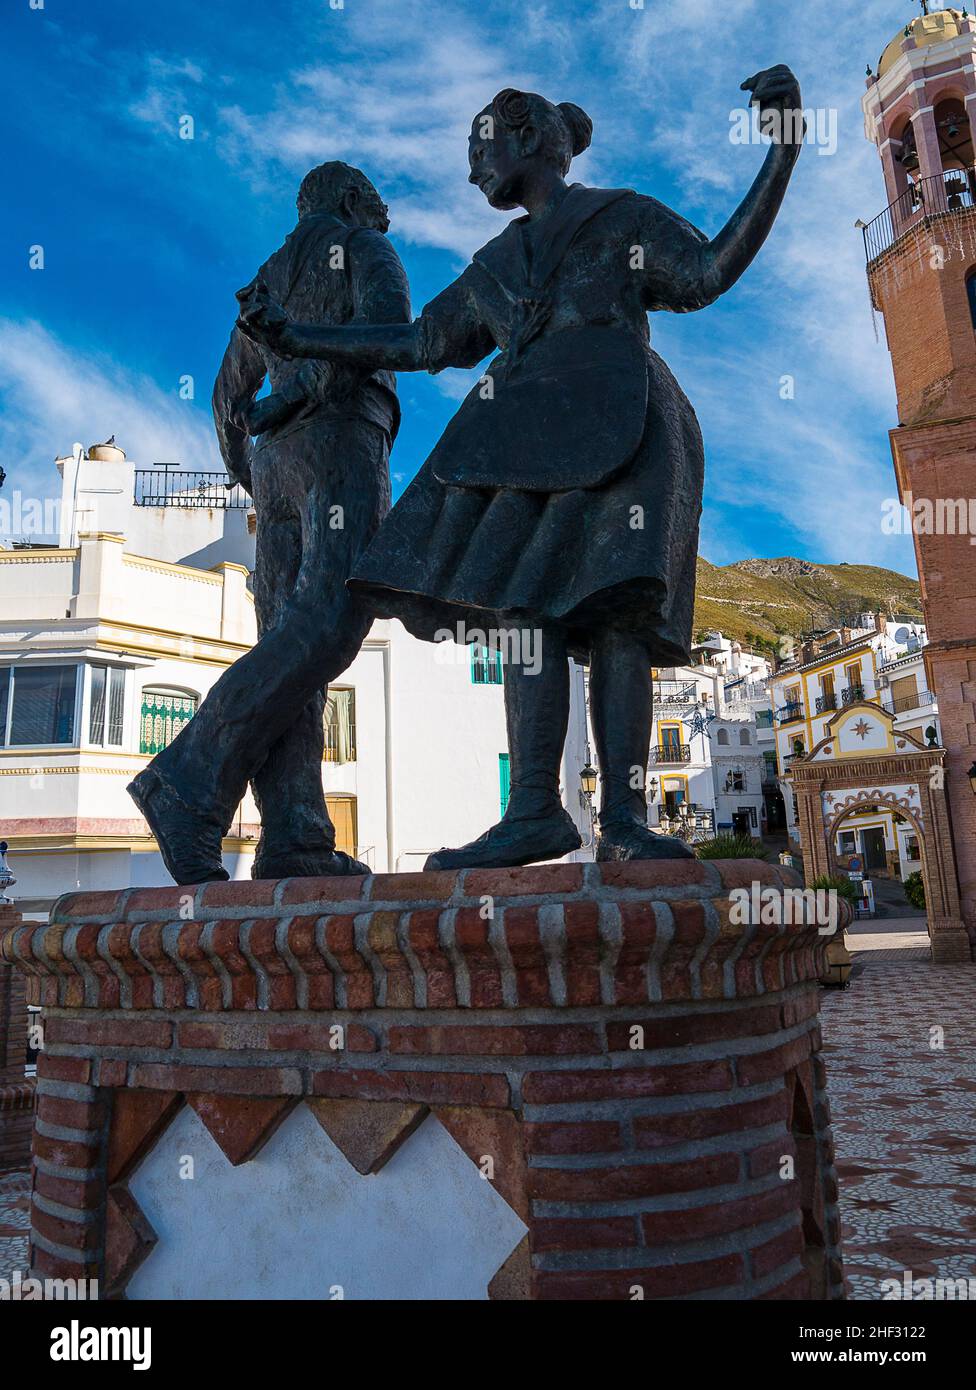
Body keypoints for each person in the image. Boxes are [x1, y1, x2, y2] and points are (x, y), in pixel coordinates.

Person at [237, 71, 802, 870]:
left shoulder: (622, 218)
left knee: (618, 616)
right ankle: (534, 807)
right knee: (522, 610)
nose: (471, 169)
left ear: (528, 137)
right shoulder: (496, 263)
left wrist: (781, 152)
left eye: (479, 147)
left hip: (621, 415)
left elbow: (707, 272)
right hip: (524, 432)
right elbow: (419, 342)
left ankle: (628, 821)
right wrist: (299, 338)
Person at [129, 162, 410, 884]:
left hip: (275, 468)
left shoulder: (267, 279)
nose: (384, 218)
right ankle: (188, 783)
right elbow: (388, 333)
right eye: (376, 204)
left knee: (292, 636)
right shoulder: (365, 249)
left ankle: (295, 837)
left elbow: (227, 398)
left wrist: (252, 472)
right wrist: (312, 393)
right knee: (330, 622)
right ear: (350, 200)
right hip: (343, 439)